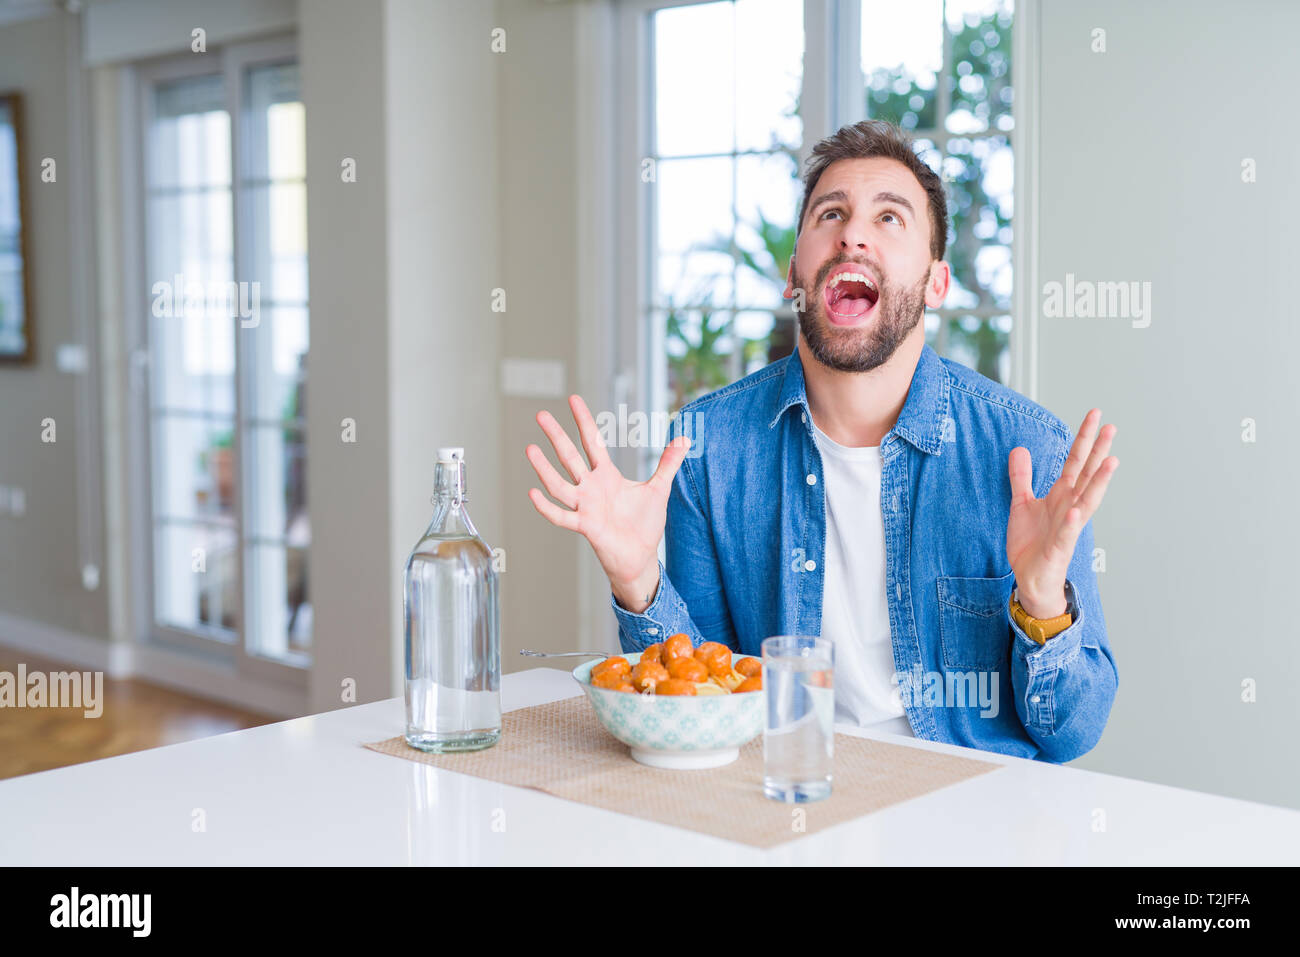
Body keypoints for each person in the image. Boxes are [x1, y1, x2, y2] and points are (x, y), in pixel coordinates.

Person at [526, 119, 1118, 762]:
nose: (853, 233)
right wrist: (638, 578)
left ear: (936, 282)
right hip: (784, 791)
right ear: (795, 274)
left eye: (890, 219)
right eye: (830, 213)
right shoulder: (706, 447)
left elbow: (1071, 734)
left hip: (967, 811)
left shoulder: (1027, 453)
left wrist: (1041, 605)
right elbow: (702, 706)